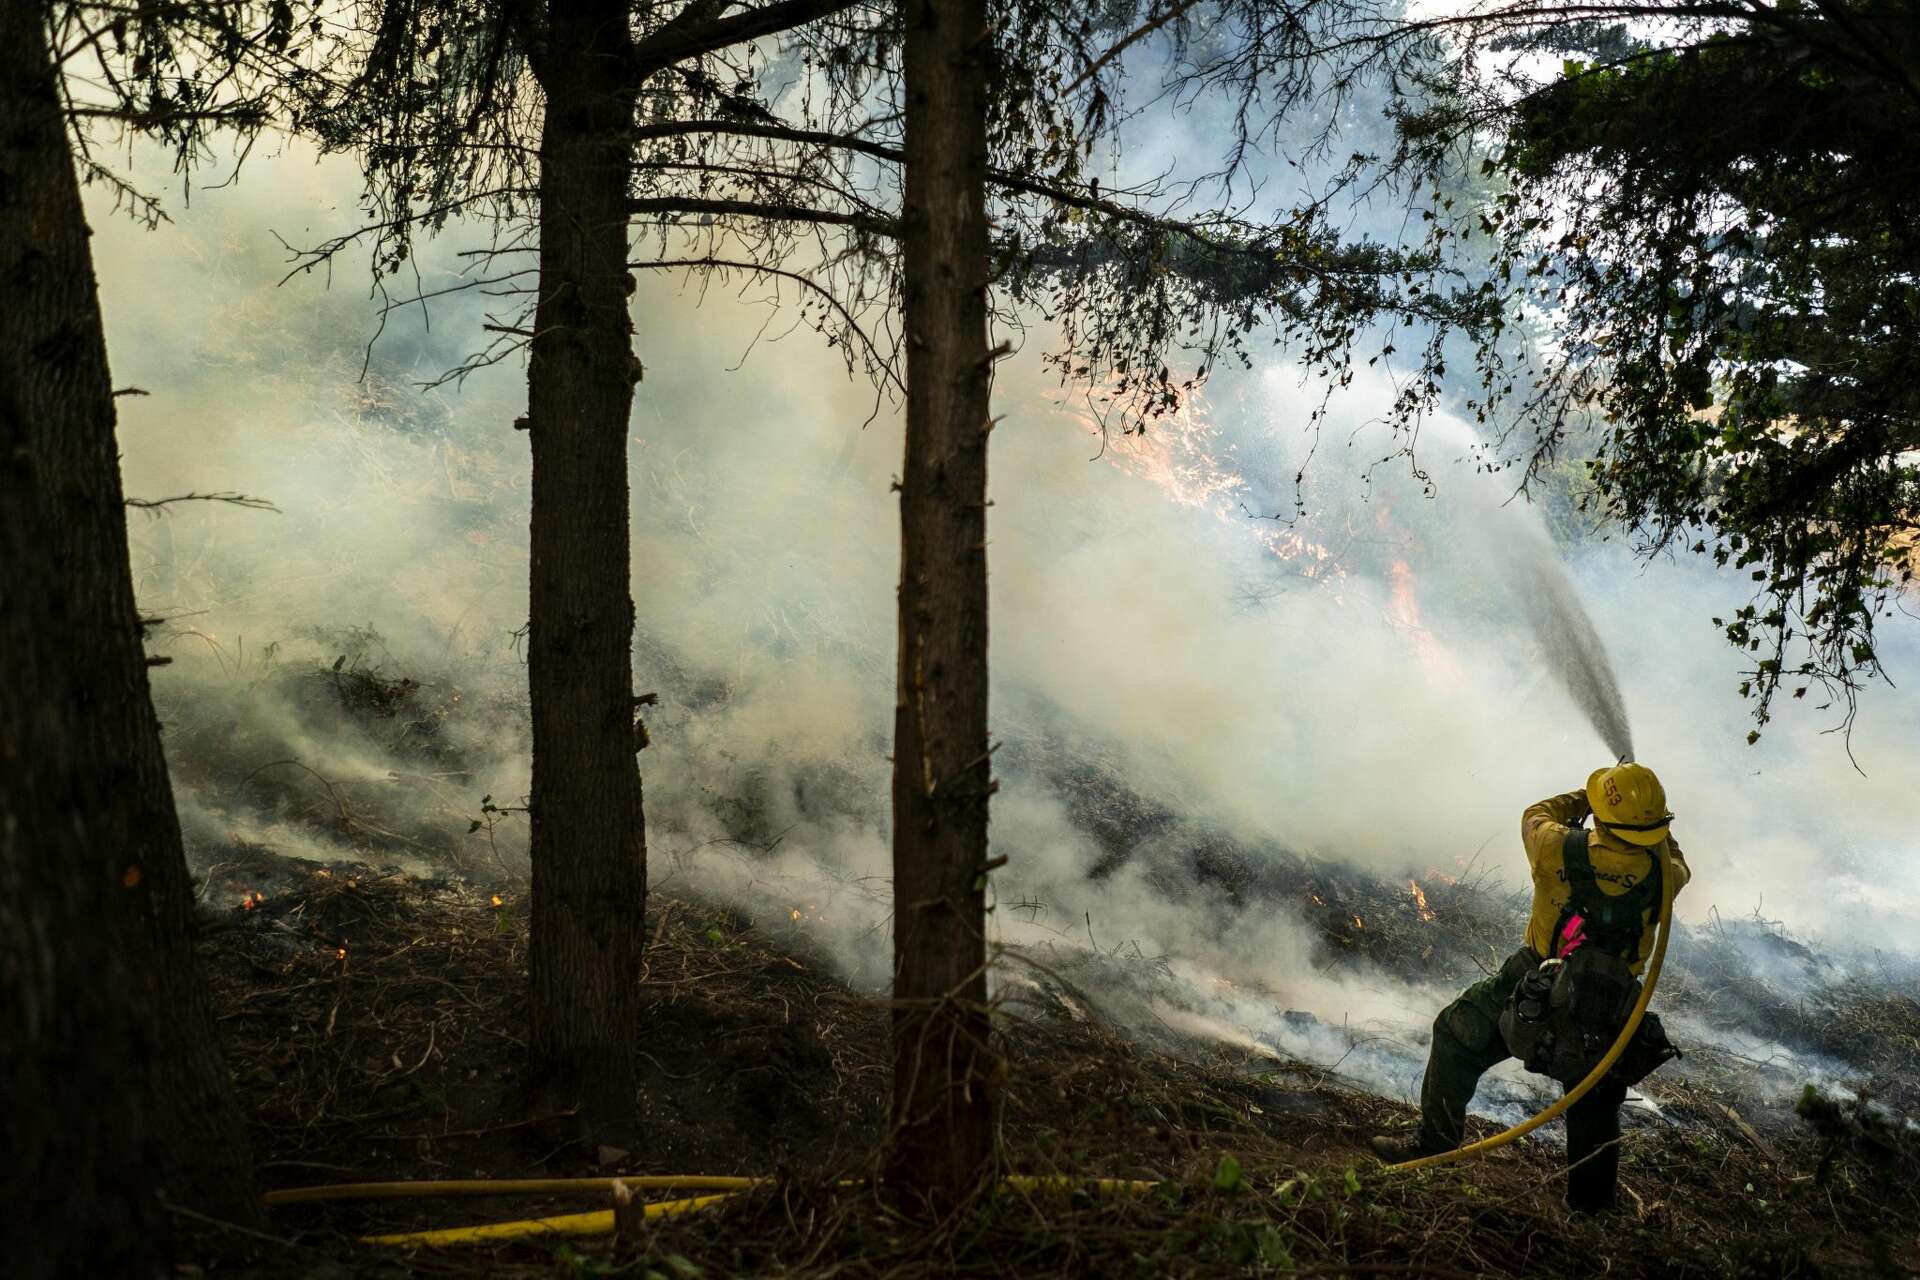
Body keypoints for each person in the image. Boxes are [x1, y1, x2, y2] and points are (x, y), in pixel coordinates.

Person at [1369, 762, 1691, 1213]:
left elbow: (1535, 813)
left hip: (1533, 978)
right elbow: (1672, 855)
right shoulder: (1667, 877)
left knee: (1456, 1035)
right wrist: (1649, 821)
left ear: (1601, 814)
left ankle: (1434, 1146)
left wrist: (1586, 796)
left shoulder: (1555, 848)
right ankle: (1592, 1210)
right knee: (1594, 1102)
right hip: (1608, 1005)